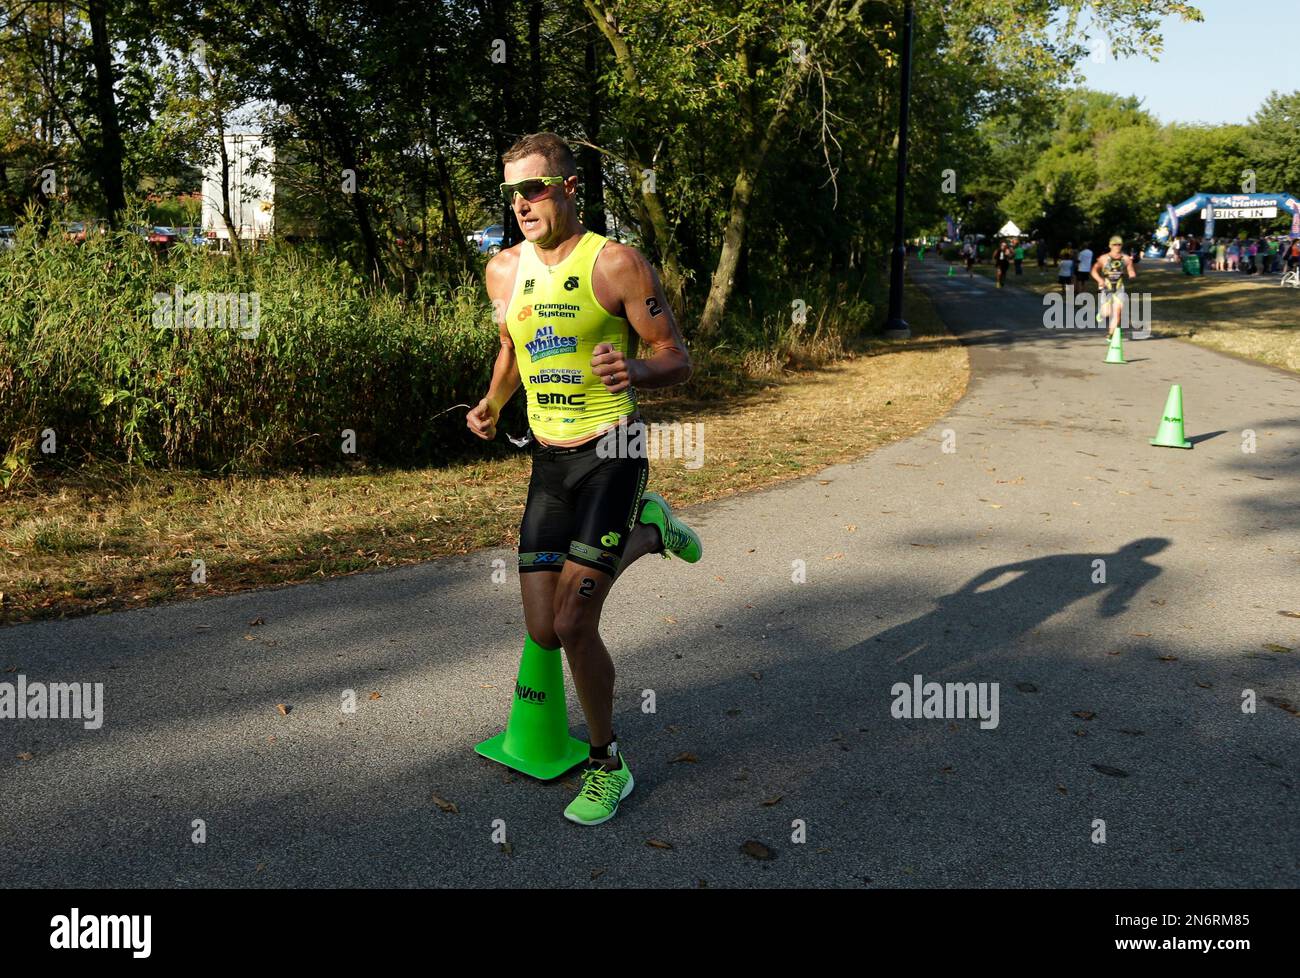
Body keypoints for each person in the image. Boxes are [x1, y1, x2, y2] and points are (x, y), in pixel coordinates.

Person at [467, 132, 702, 826]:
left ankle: (608, 764)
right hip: (549, 461)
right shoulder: (502, 271)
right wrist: (493, 402)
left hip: (613, 450)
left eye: (534, 188)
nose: (521, 203)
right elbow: (511, 347)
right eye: (512, 191)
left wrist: (639, 370)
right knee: (542, 629)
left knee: (574, 622)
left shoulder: (619, 264)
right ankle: (651, 529)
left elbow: (677, 357)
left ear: (569, 188)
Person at [1092, 235, 1136, 341]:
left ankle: (1110, 335)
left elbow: (1131, 271)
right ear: (1110, 245)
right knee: (1107, 313)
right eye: (1115, 244)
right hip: (1106, 288)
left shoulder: (1125, 258)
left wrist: (1132, 274)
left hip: (1119, 288)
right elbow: (1094, 271)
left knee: (1117, 312)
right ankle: (1101, 314)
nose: (1117, 246)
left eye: (1119, 244)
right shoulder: (1103, 258)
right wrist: (1100, 280)